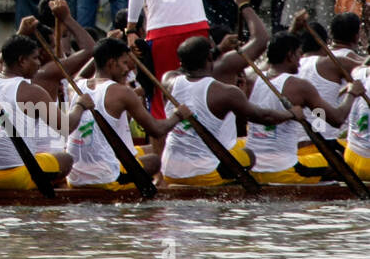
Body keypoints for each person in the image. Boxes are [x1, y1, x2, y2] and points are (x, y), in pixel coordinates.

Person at [161, 35, 295, 186]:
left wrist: (217, 49)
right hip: (204, 174)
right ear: (291, 55)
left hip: (168, 170)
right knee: (250, 155)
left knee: (241, 145)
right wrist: (291, 114)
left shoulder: (168, 80)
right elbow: (265, 117)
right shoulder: (301, 85)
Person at [66, 38, 185, 189]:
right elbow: (157, 130)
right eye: (123, 63)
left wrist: (103, 49)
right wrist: (178, 115)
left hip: (74, 178)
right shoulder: (123, 92)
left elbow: (83, 72)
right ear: (111, 63)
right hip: (107, 179)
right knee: (155, 160)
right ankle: (157, 187)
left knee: (149, 149)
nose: (128, 69)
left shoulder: (74, 86)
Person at [245, 31, 362, 183]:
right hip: (282, 171)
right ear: (289, 55)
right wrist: (352, 93)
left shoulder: (252, 79)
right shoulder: (299, 86)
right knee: (342, 159)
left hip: (252, 167)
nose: (300, 60)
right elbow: (337, 119)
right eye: (299, 54)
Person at [0, 34, 73, 189]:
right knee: (66, 159)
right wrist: (80, 106)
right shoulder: (33, 92)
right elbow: (66, 128)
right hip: (13, 178)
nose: (38, 63)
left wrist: (21, 32)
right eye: (35, 58)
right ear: (22, 61)